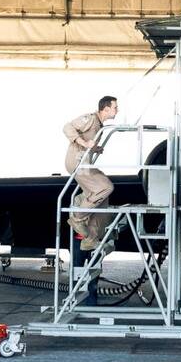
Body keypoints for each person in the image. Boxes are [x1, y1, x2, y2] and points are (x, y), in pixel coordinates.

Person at [63, 96, 119, 307]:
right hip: (77, 164)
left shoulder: (99, 125)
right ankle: (78, 216)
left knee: (102, 201)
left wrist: (94, 148)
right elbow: (67, 127)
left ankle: (91, 237)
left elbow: (90, 142)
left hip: (84, 162)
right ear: (105, 108)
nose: (117, 110)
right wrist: (84, 143)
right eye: (115, 107)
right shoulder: (89, 118)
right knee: (106, 186)